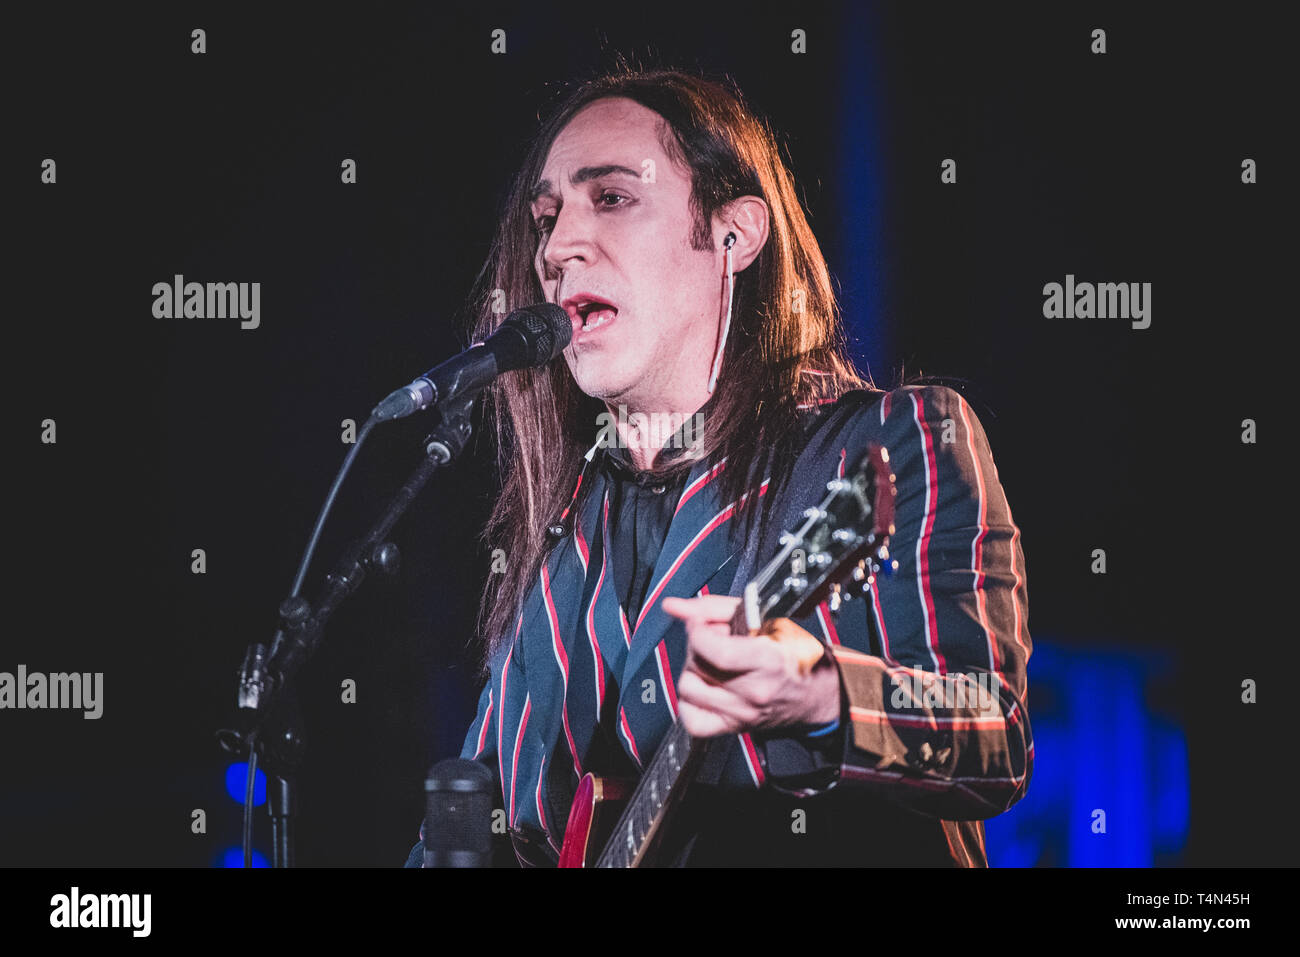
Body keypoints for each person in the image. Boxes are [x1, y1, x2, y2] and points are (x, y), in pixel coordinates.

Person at [406, 65, 1032, 867]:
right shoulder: (562, 532)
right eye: (547, 216)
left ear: (733, 235)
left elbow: (993, 735)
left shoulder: (880, 444)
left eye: (612, 197)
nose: (558, 246)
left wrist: (823, 695)